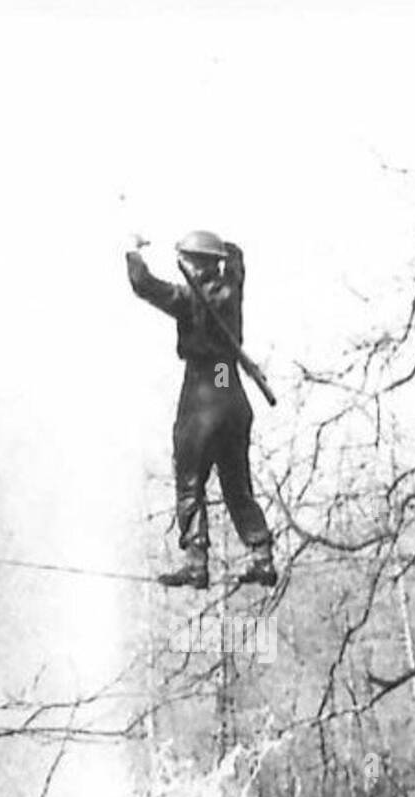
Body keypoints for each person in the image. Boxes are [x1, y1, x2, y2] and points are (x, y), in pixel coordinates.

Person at [126, 229, 277, 589]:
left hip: (202, 390)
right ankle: (261, 555)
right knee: (237, 484)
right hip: (228, 383)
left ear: (195, 265)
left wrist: (131, 250)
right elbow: (237, 261)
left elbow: (143, 283)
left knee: (190, 479)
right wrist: (225, 252)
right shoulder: (232, 287)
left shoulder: (187, 298)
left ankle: (196, 561)